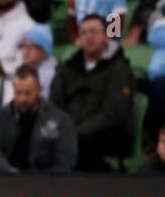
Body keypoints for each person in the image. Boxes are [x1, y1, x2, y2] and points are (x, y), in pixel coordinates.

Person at [50, 14, 135, 171]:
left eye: (94, 32)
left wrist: (75, 134)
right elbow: (54, 105)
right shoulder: (67, 68)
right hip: (68, 135)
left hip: (105, 139)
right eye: (84, 33)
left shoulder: (119, 69)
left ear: (106, 36)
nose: (89, 37)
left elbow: (114, 114)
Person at [0, 65, 78, 174]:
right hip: (5, 182)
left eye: (28, 93)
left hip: (47, 184)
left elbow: (66, 160)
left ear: (40, 89)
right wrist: (7, 170)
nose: (23, 99)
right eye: (18, 93)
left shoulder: (61, 121)